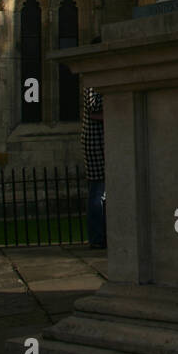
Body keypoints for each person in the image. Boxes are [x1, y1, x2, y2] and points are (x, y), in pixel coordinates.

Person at [81, 85, 106, 248]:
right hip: (95, 143)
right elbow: (93, 107)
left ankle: (101, 235)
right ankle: (97, 238)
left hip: (101, 141)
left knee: (101, 192)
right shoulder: (93, 82)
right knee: (98, 191)